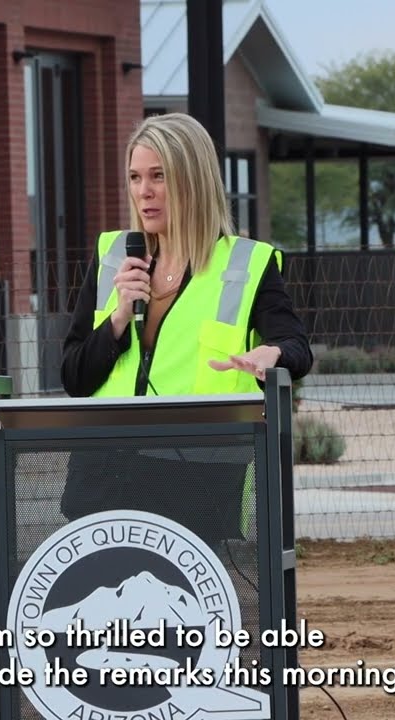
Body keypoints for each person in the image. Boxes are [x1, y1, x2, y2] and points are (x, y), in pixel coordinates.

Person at [57, 112, 312, 544]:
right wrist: (119, 317)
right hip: (102, 477)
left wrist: (271, 355)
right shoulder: (113, 258)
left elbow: (296, 346)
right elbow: (73, 377)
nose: (144, 192)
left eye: (159, 176)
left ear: (193, 180)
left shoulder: (245, 264)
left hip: (195, 481)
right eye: (135, 177)